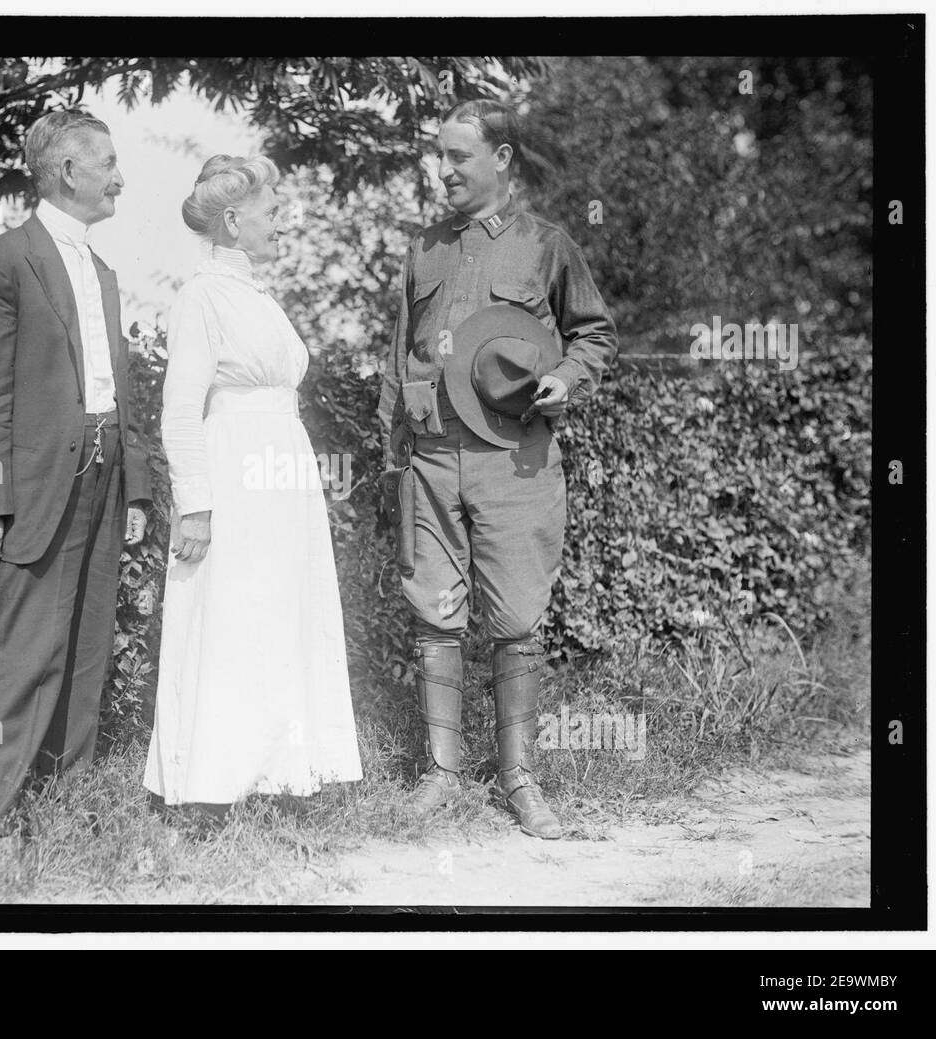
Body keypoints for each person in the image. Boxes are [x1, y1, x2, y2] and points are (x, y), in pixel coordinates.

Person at [377, 100, 618, 838]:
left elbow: (594, 332)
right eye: (439, 156)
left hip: (514, 461)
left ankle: (520, 779)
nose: (442, 170)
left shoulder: (548, 245)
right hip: (431, 459)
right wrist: (393, 454)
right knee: (433, 611)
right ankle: (441, 774)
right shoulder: (423, 247)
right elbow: (398, 358)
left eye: (459, 157)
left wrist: (568, 380)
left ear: (503, 159)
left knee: (517, 618)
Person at [0, 111, 152, 844]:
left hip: (104, 478)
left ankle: (67, 812)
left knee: (87, 648)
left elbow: (118, 385)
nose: (121, 178)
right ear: (69, 171)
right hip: (32, 487)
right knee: (25, 652)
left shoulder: (103, 272)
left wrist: (140, 488)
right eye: (110, 164)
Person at [142, 155, 363, 813]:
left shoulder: (257, 295)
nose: (282, 224)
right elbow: (180, 408)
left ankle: (279, 774)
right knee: (231, 618)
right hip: (233, 471)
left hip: (282, 477)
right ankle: (212, 784)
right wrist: (196, 505)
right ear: (234, 221)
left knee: (278, 614)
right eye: (272, 213)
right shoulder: (202, 296)